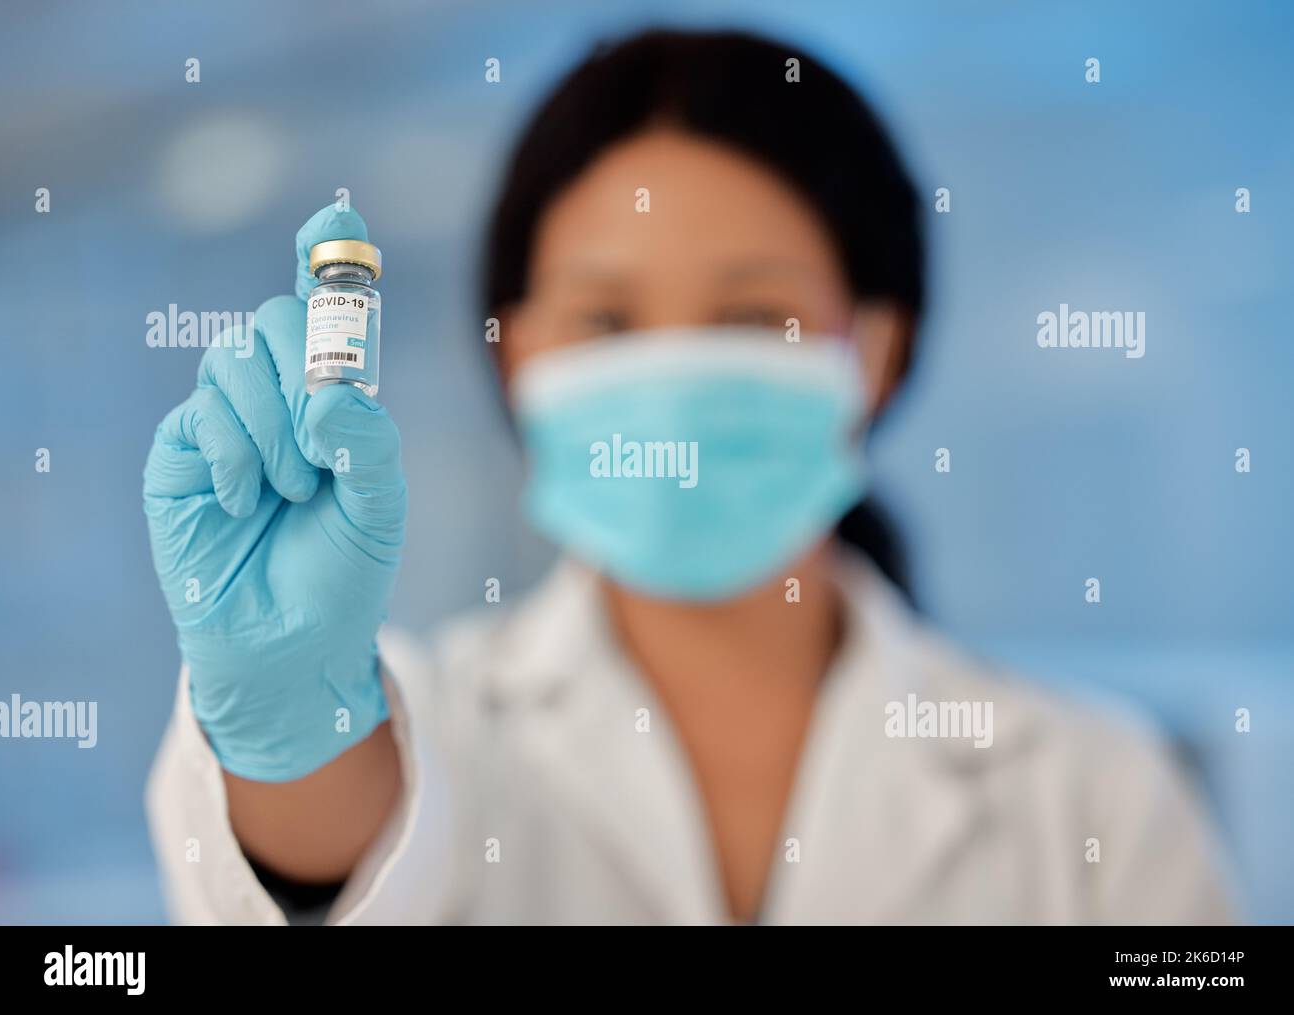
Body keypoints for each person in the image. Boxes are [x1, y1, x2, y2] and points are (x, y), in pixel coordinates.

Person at [143, 28, 1232, 924]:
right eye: (605, 319)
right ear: (513, 355)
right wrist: (293, 728)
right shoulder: (432, 727)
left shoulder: (1093, 795)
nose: (667, 377)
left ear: (879, 350)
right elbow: (322, 858)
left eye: (756, 316)